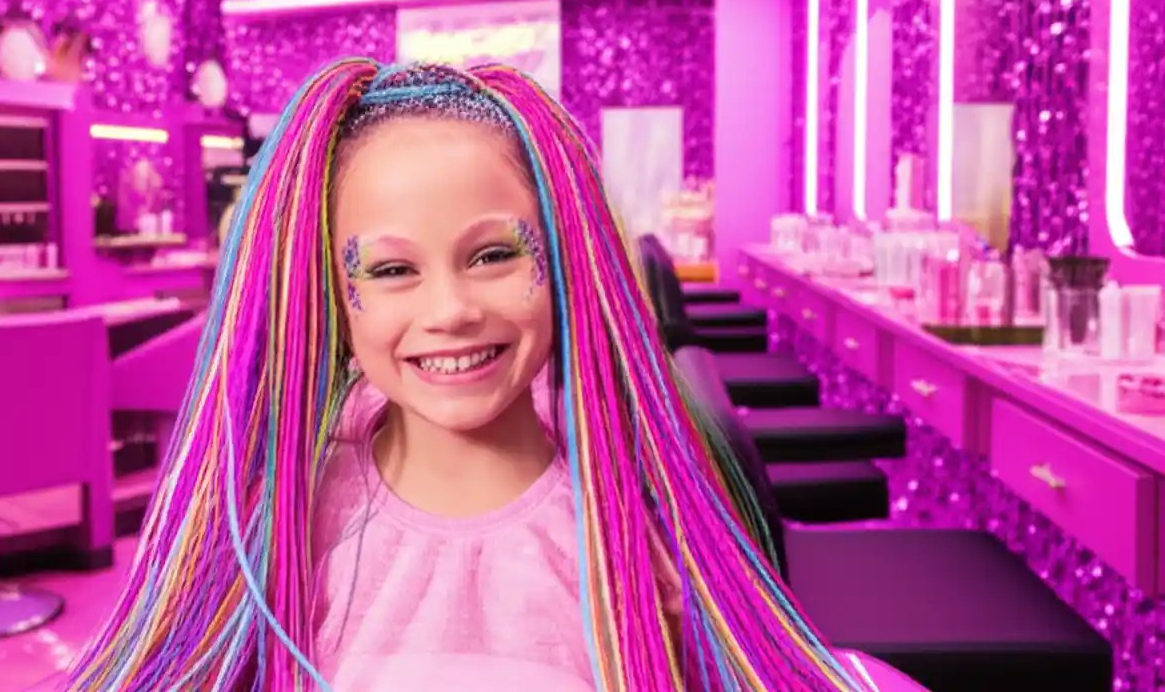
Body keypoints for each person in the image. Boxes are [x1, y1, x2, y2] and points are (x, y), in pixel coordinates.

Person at [67, 58, 925, 691]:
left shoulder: (622, 532)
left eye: (491, 255)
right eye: (392, 270)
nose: (449, 310)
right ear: (334, 291)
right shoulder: (282, 518)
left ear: (564, 257)